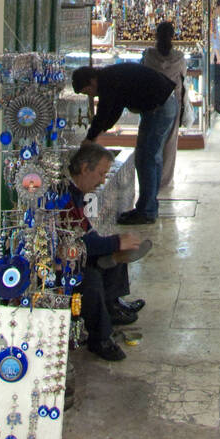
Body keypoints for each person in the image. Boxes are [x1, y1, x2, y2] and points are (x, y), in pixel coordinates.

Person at [65, 143, 148, 362]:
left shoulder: (77, 193)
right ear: (84, 168)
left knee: (117, 252)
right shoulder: (64, 196)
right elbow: (77, 244)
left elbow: (84, 233)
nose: (102, 181)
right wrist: (115, 242)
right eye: (101, 174)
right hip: (64, 261)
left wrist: (115, 244)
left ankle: (113, 304)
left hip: (76, 250)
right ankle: (100, 338)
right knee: (90, 278)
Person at [73, 62, 177, 224]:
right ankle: (148, 207)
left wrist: (90, 138)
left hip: (159, 108)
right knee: (150, 157)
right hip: (164, 105)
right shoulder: (110, 77)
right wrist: (97, 133)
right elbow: (115, 109)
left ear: (92, 81)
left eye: (88, 91)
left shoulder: (107, 80)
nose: (92, 96)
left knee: (146, 159)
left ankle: (146, 212)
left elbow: (105, 111)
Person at [142, 20, 187, 195]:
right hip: (172, 101)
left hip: (150, 101)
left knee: (151, 141)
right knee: (169, 141)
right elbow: (183, 76)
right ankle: (165, 180)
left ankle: (150, 179)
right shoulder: (179, 57)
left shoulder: (149, 55)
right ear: (172, 36)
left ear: (155, 35)